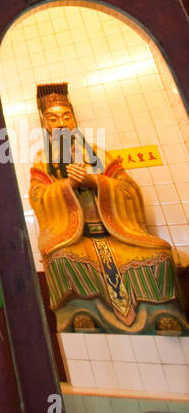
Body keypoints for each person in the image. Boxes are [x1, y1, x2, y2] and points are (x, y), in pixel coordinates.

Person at [29, 83, 188, 334]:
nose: (60, 123)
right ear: (45, 124)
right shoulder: (43, 159)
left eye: (66, 116)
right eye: (53, 118)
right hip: (75, 236)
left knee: (158, 255)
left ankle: (159, 314)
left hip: (117, 233)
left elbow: (130, 190)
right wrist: (67, 186)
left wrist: (94, 181)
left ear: (74, 120)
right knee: (61, 260)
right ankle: (81, 314)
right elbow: (38, 197)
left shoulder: (99, 154)